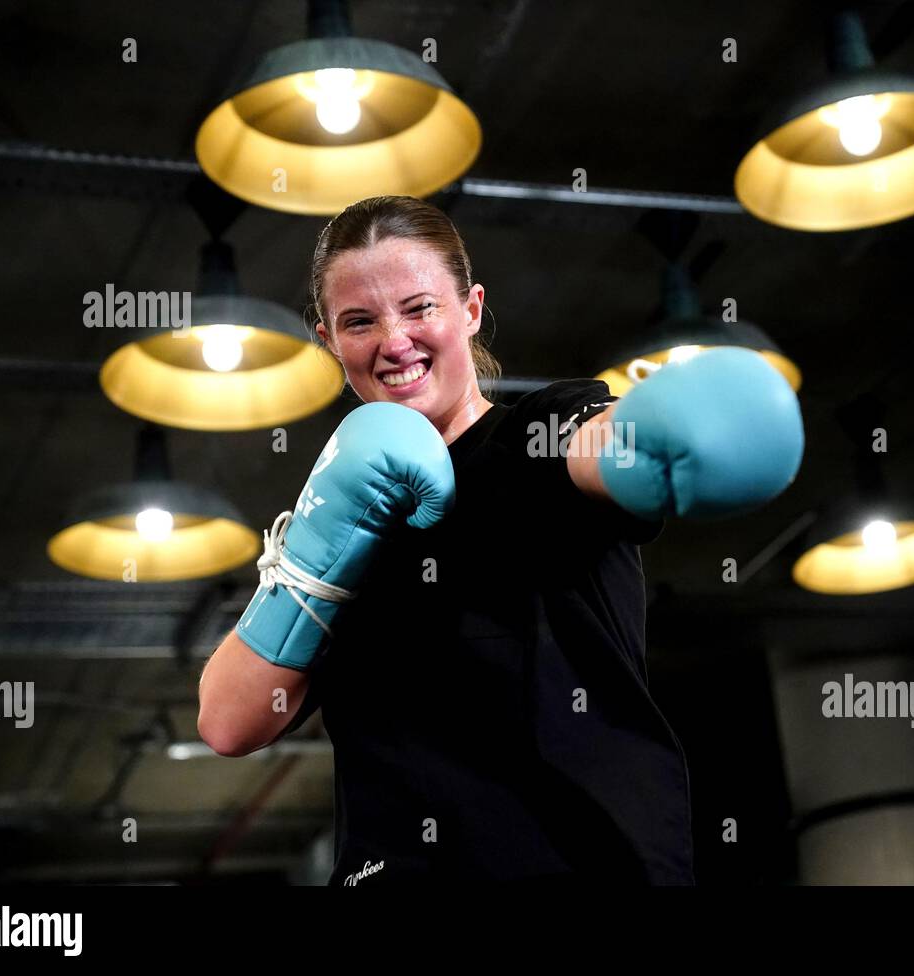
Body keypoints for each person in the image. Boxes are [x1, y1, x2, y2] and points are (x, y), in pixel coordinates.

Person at [197, 195, 804, 884]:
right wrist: (315, 550)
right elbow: (227, 722)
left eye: (419, 307)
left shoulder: (535, 438)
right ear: (329, 340)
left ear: (472, 309)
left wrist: (647, 436)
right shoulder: (343, 515)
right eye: (359, 322)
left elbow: (593, 442)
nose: (393, 341)